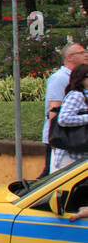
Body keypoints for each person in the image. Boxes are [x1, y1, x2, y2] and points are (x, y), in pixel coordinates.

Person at [41, 42, 87, 177]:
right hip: (61, 138)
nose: (86, 55)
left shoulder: (77, 80)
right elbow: (54, 110)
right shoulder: (60, 78)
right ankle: (28, 196)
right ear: (70, 57)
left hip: (74, 138)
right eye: (82, 53)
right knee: (52, 178)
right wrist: (54, 138)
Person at [51, 63, 88, 172]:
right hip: (70, 154)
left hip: (81, 153)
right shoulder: (77, 95)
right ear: (81, 79)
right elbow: (63, 119)